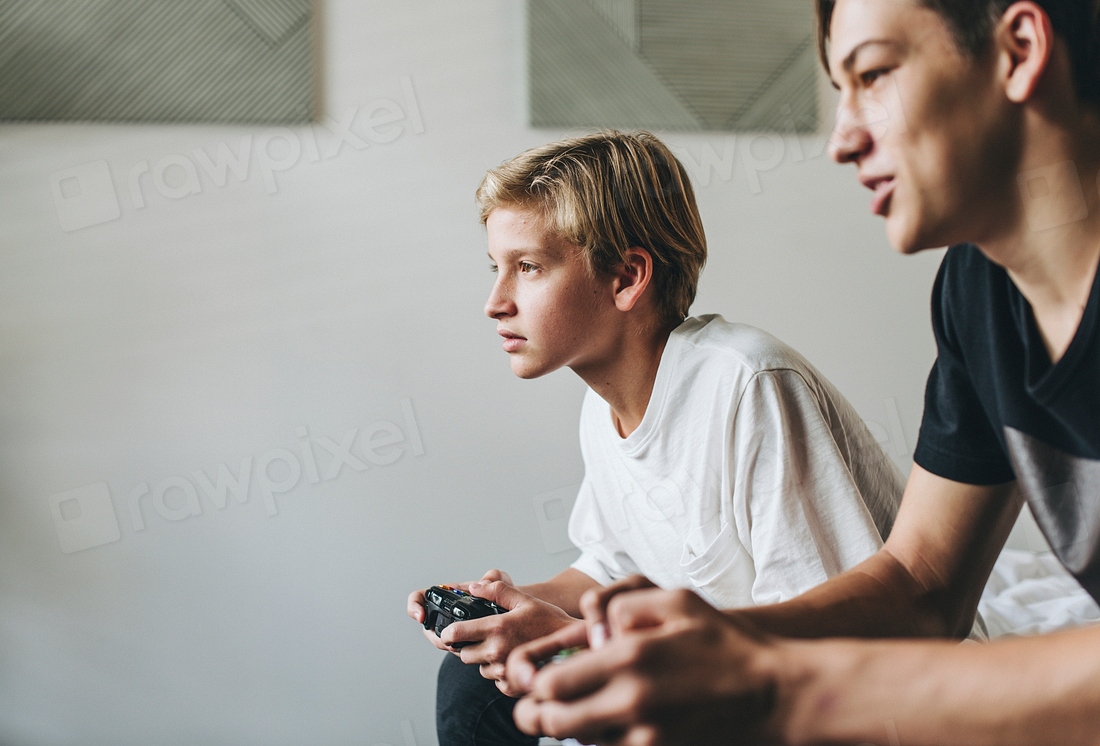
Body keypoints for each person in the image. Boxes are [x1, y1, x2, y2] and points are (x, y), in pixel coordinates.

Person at [504, 1, 1100, 744]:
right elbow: (923, 583)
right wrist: (719, 643)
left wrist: (793, 689)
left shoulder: (744, 380)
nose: (842, 139)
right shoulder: (978, 290)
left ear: (1018, 49)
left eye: (874, 75)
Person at [405, 131, 906, 746]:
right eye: (496, 269)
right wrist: (510, 607)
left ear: (626, 277)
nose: (494, 303)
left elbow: (832, 631)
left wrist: (588, 640)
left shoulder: (748, 385)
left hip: (825, 693)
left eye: (528, 267)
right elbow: (610, 570)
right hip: (715, 674)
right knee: (470, 683)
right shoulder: (603, 406)